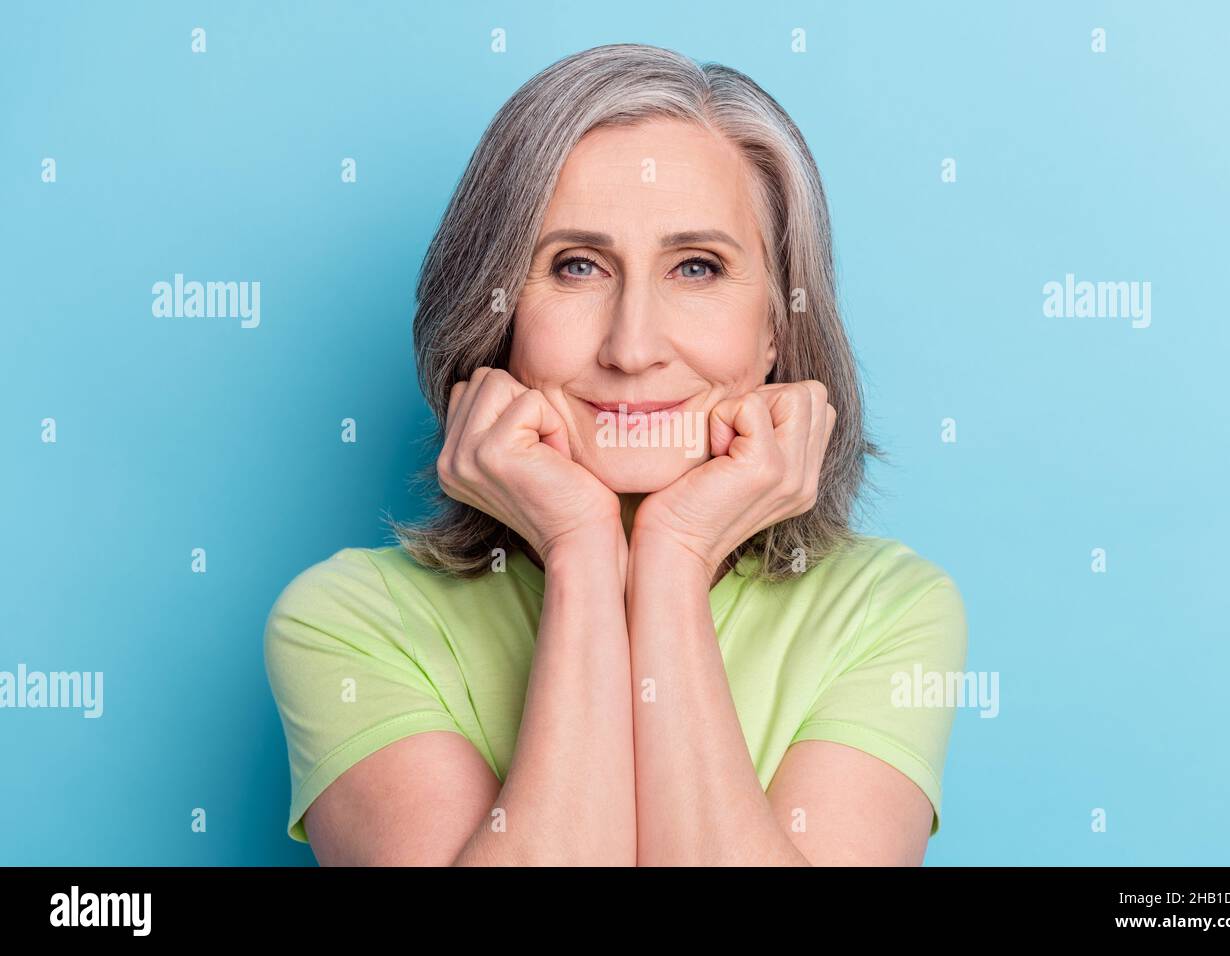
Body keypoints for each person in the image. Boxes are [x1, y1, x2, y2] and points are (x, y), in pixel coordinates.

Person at [264, 42, 967, 866]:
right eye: (577, 266)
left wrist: (672, 558)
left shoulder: (886, 611)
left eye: (697, 267)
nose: (632, 347)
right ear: (496, 315)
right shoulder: (346, 623)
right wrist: (582, 550)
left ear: (777, 325)